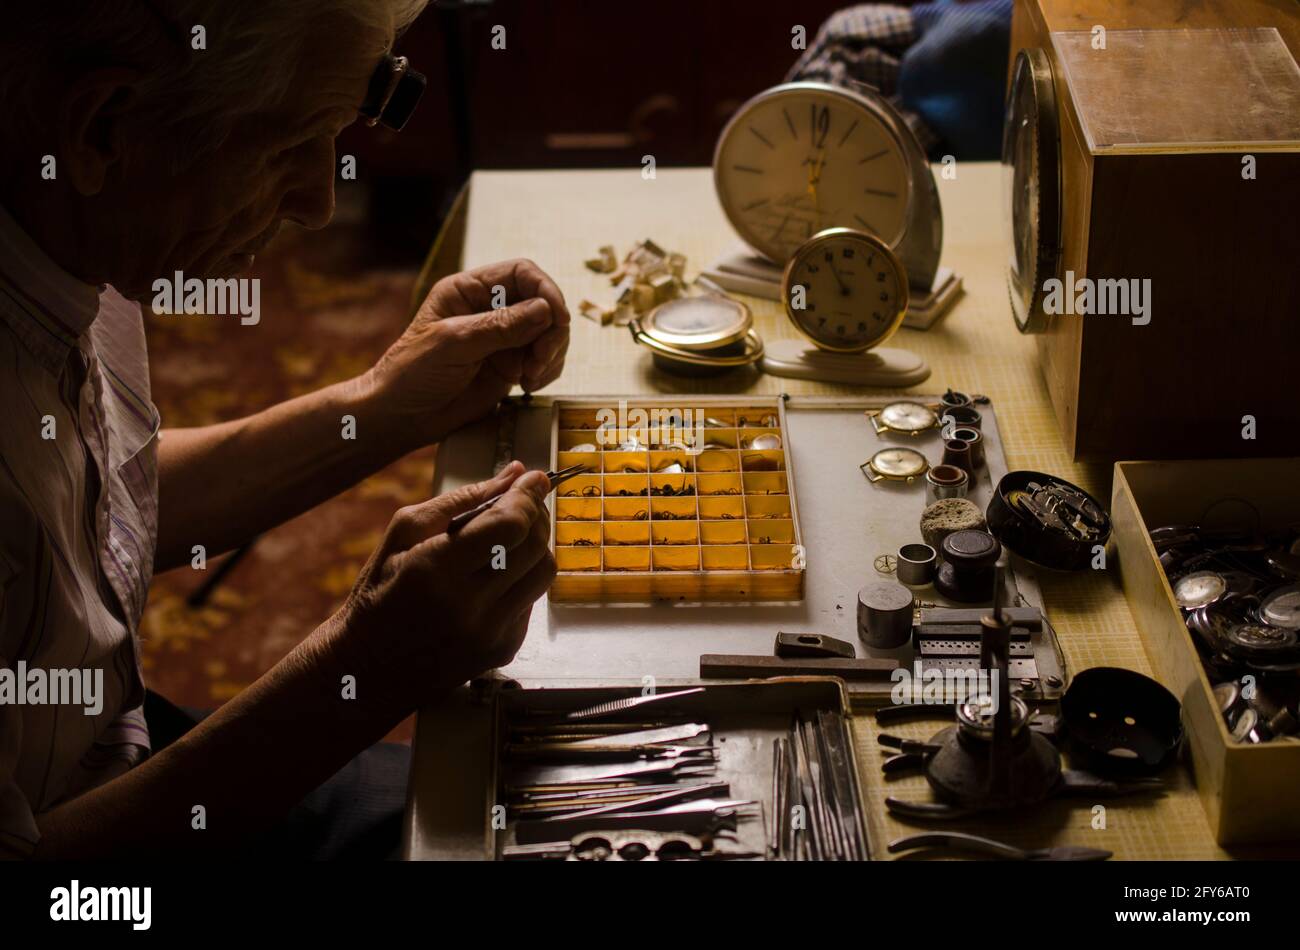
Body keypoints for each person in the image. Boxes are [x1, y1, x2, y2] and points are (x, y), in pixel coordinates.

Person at [0, 0, 568, 858]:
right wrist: (358, 670)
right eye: (289, 143)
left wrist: (384, 407)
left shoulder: (72, 231)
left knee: (518, 805)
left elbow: (97, 506)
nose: (317, 205)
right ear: (103, 126)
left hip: (112, 734)